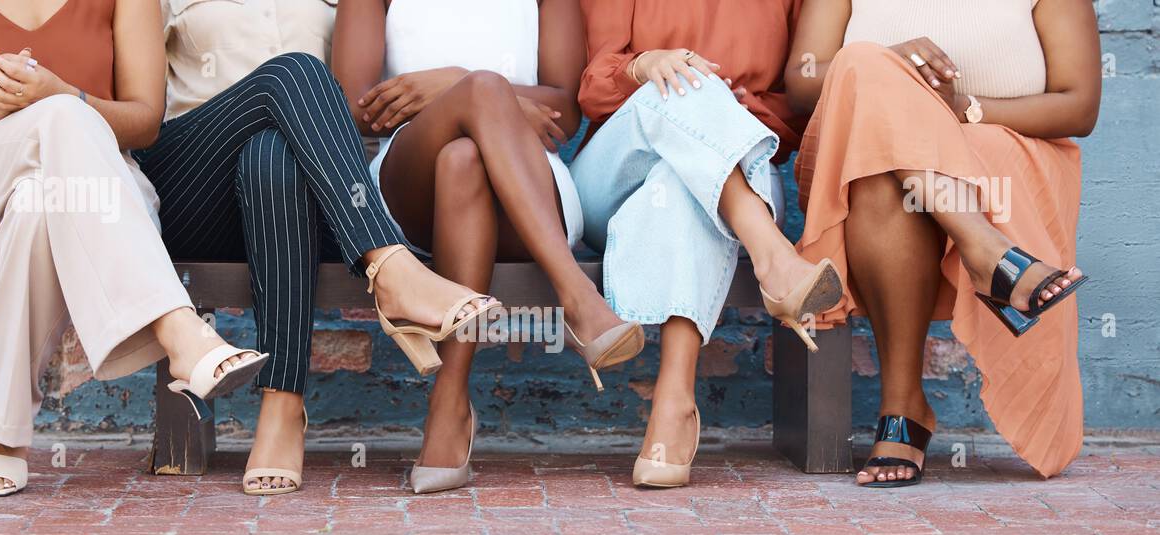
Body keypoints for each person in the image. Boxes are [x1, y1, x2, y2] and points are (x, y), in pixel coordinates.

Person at [134, 0, 501, 496]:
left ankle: (282, 406)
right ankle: (389, 266)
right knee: (297, 69)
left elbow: (356, 101)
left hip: (297, 199)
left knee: (272, 157)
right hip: (193, 185)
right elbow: (136, 107)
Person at [0, 0, 267, 497]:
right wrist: (0, 106)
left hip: (100, 188)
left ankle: (1, 435)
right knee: (57, 115)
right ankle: (177, 328)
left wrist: (64, 93)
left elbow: (145, 122)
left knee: (36, 200)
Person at [333, 0, 644, 494]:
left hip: (531, 185)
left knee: (464, 158)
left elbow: (563, 112)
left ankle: (449, 399)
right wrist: (472, 92)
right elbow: (354, 105)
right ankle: (579, 297)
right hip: (410, 182)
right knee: (481, 90)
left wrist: (458, 85)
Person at [785, 0, 1099, 486]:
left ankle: (904, 411)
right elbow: (803, 82)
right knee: (866, 74)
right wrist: (890, 71)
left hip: (1005, 155)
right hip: (873, 160)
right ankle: (989, 253)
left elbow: (1079, 105)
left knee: (887, 171)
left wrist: (963, 110)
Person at [571, 0, 844, 488]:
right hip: (616, 172)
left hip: (736, 164)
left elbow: (801, 106)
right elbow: (593, 87)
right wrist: (643, 65)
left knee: (686, 181)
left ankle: (673, 401)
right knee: (684, 82)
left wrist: (733, 108)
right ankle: (772, 254)